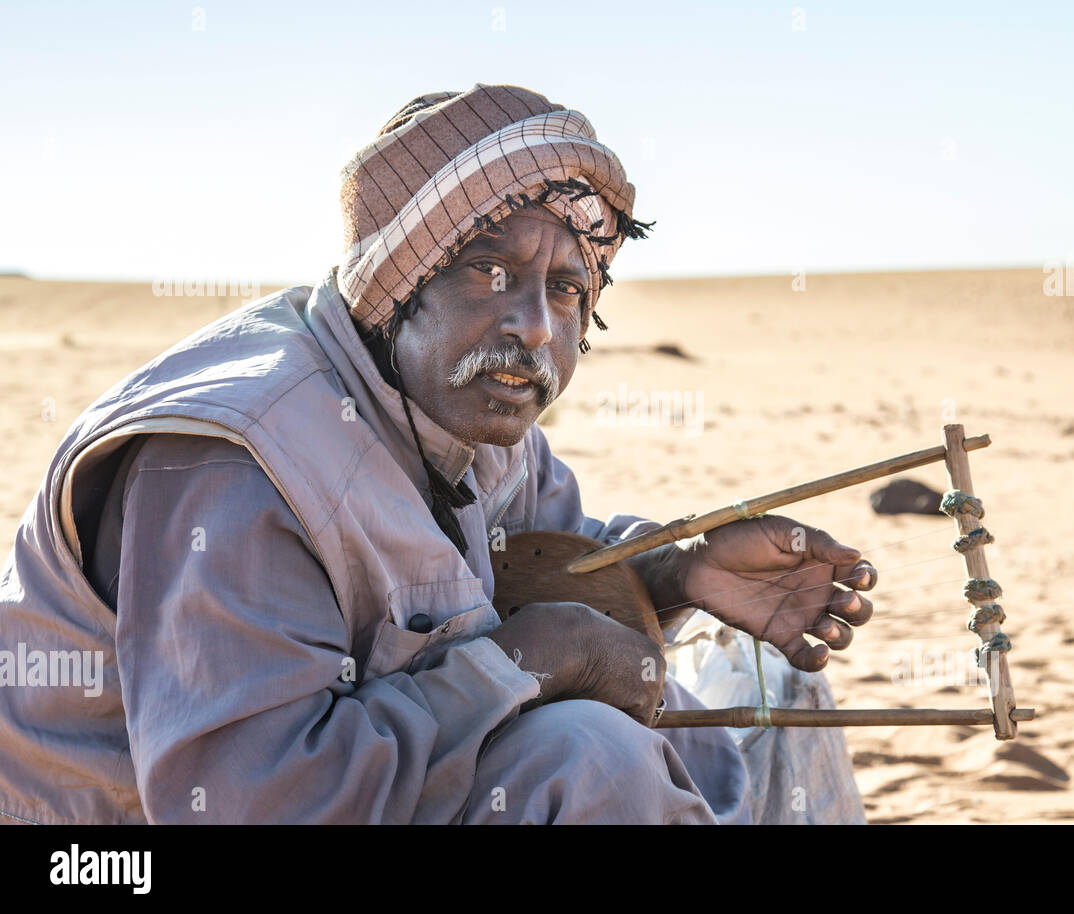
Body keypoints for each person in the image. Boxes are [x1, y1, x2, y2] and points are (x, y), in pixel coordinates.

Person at [0, 84, 875, 824]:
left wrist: (676, 571)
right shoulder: (238, 466)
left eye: (568, 290)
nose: (534, 325)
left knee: (753, 680)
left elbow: (533, 565)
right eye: (489, 273)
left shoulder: (471, 420)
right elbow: (246, 798)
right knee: (589, 755)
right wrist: (528, 661)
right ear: (397, 284)